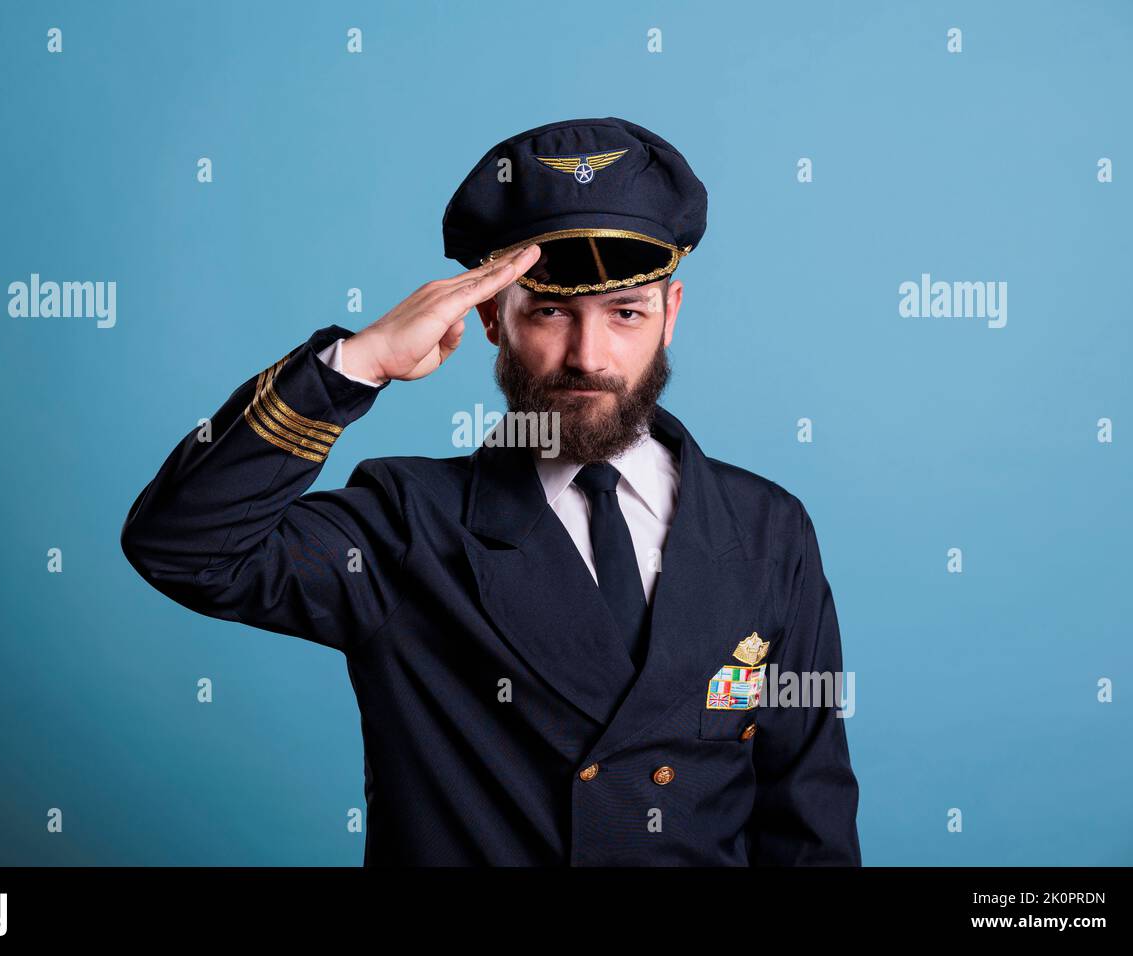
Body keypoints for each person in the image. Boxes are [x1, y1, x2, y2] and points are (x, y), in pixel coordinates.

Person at [120, 117, 862, 866]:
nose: (588, 356)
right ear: (487, 319)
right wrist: (355, 365)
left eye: (626, 312)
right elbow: (184, 549)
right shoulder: (406, 524)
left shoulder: (769, 531)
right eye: (548, 312)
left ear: (670, 316)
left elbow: (808, 816)